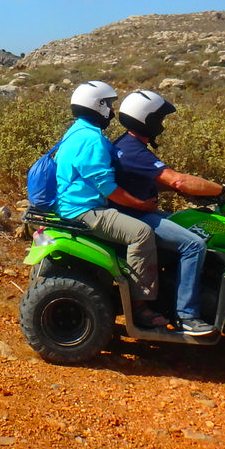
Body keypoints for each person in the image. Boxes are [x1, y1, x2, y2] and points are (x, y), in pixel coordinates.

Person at [110, 90, 225, 335]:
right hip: (136, 217)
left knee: (190, 228)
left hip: (132, 213)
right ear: (146, 120)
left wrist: (200, 191)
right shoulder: (134, 150)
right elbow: (177, 181)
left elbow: (154, 181)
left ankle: (167, 298)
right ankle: (187, 317)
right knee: (194, 245)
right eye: (159, 119)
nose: (161, 125)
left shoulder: (126, 144)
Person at [55, 81, 167, 329]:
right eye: (110, 105)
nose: (113, 112)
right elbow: (108, 188)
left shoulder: (75, 132)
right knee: (141, 232)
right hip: (86, 211)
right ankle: (141, 307)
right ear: (99, 106)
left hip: (70, 206)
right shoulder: (92, 140)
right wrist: (141, 205)